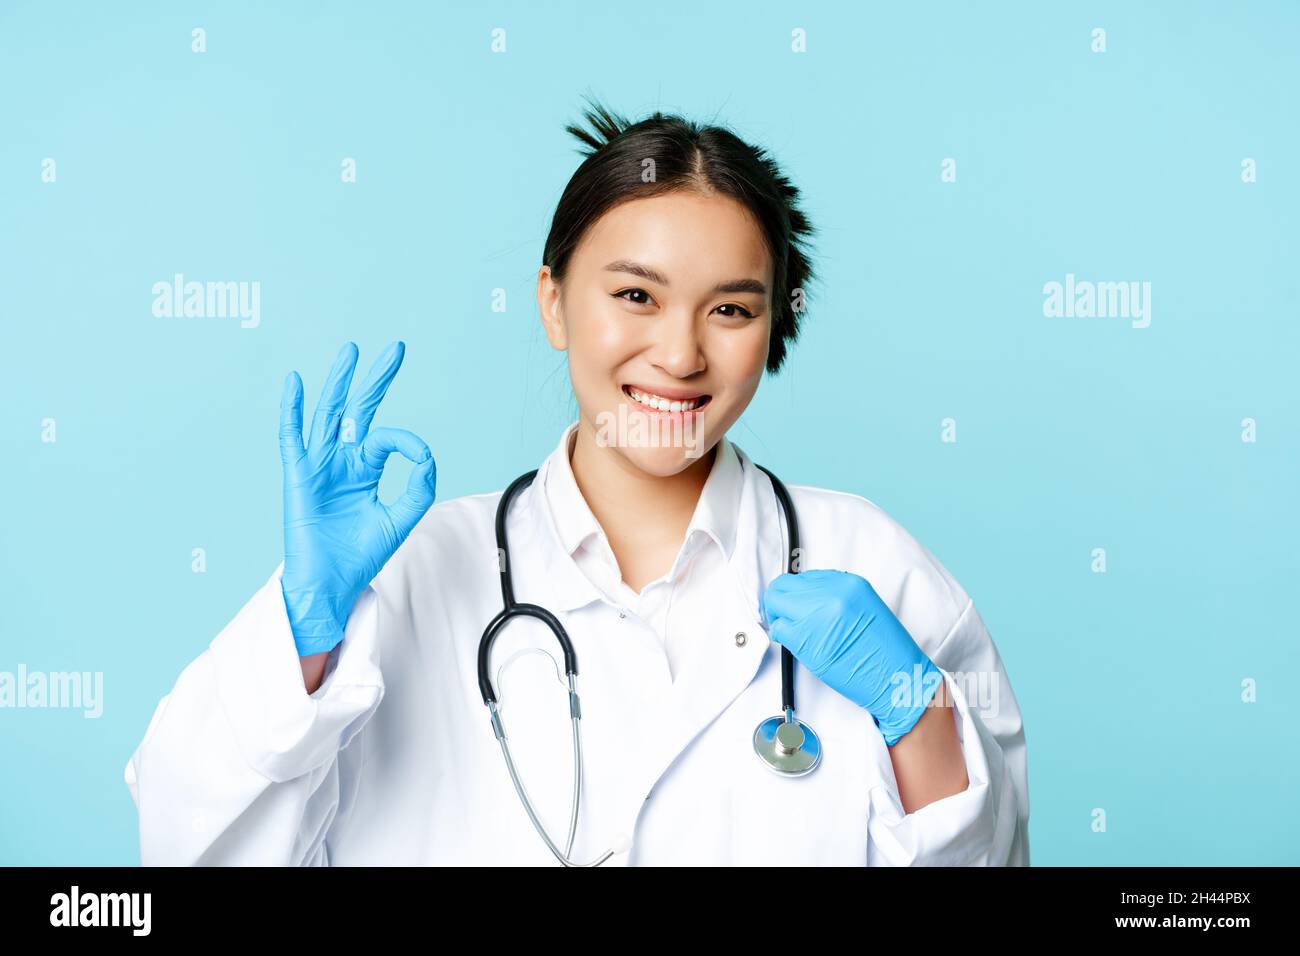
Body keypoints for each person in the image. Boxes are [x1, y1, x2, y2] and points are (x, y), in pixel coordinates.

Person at [124, 100, 1030, 866]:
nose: (679, 354)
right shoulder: (405, 577)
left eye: (730, 309)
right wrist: (304, 629)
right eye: (635, 295)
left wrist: (921, 716)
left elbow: (996, 855)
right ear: (553, 302)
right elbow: (183, 841)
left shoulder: (873, 563)